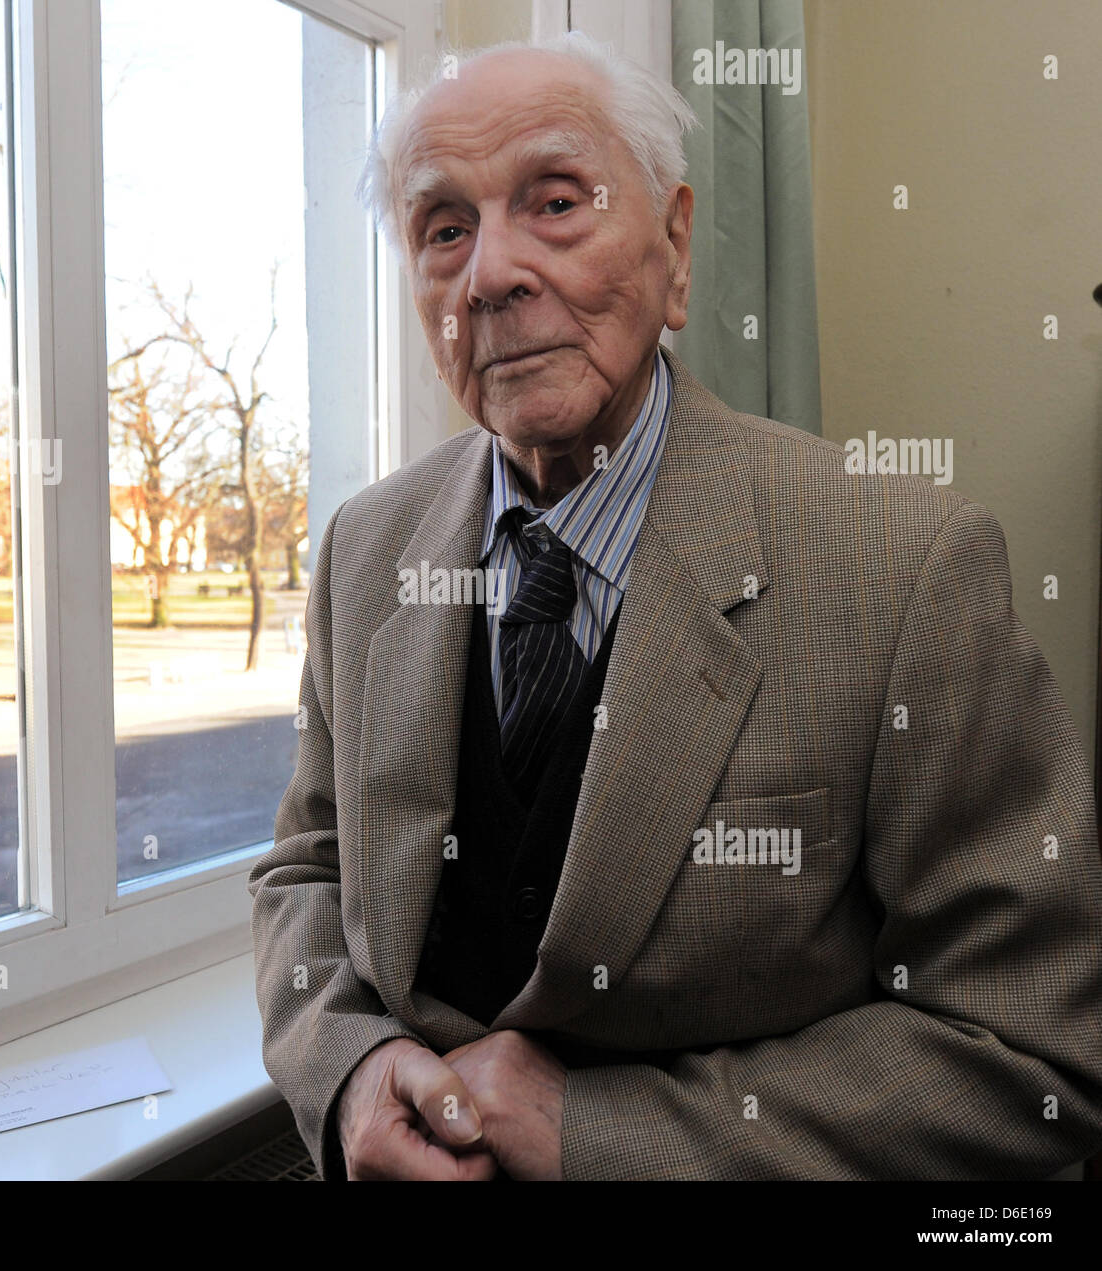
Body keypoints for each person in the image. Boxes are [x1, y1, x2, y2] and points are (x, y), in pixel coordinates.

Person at [248, 31, 1102, 1180]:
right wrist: (346, 1069)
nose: (490, 272)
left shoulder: (908, 564)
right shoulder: (365, 547)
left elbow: (1026, 1050)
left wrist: (593, 1133)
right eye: (442, 228)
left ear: (677, 246)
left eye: (554, 201)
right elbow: (306, 870)